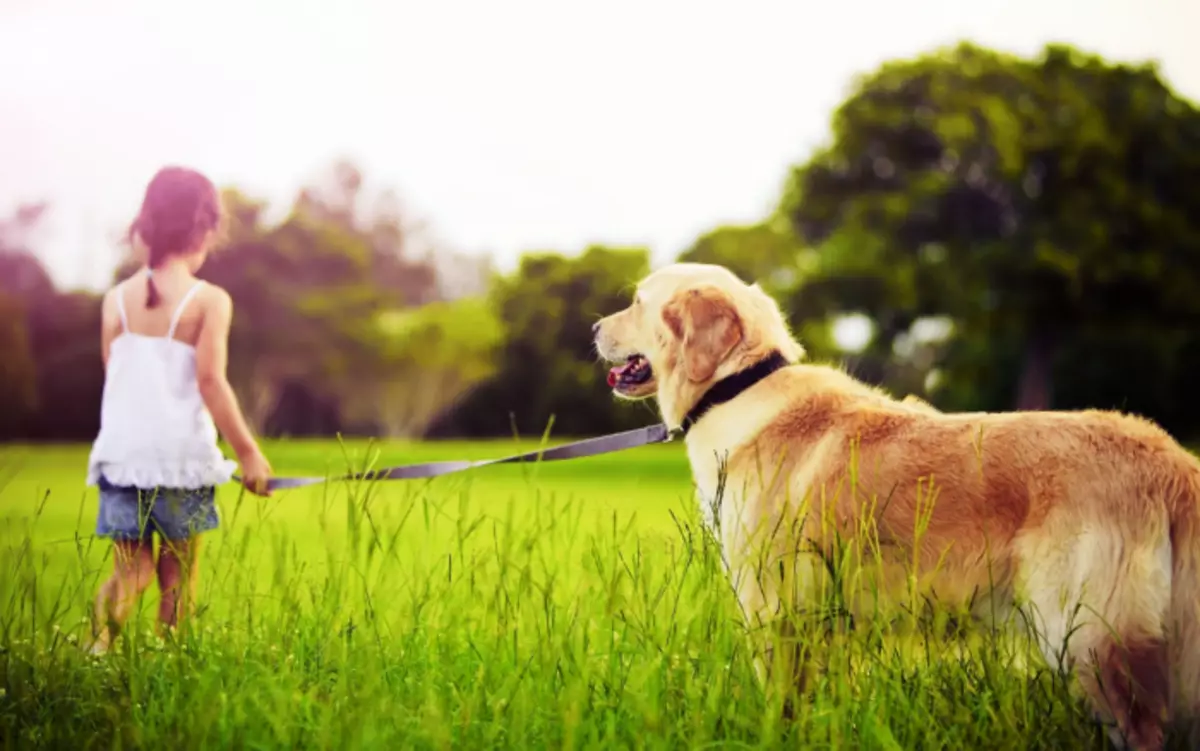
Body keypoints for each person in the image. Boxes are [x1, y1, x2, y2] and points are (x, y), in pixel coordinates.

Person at [86, 165, 273, 653]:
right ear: (205, 230)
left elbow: (116, 378)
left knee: (132, 570)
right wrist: (248, 453)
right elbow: (211, 381)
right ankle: (173, 669)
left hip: (123, 459)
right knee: (178, 580)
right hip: (180, 463)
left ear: (146, 226)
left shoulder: (115, 301)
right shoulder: (209, 301)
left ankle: (95, 648)